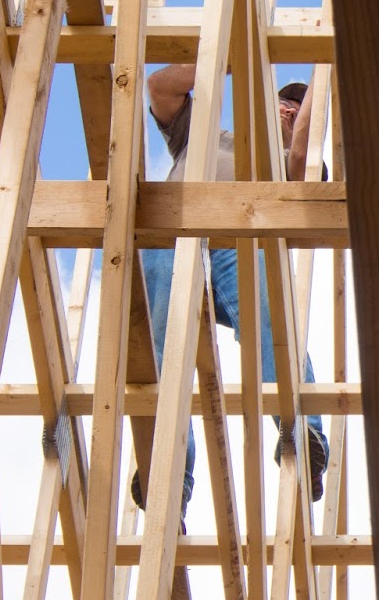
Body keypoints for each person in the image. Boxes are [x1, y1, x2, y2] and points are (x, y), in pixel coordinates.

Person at [138, 65, 329, 510]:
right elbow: (161, 87)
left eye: (298, 107)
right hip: (174, 233)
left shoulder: (293, 163)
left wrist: (324, 69)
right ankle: (167, 472)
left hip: (241, 244)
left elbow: (303, 158)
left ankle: (304, 437)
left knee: (271, 323)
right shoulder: (206, 135)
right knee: (164, 346)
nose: (288, 107)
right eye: (284, 99)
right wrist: (224, 53)